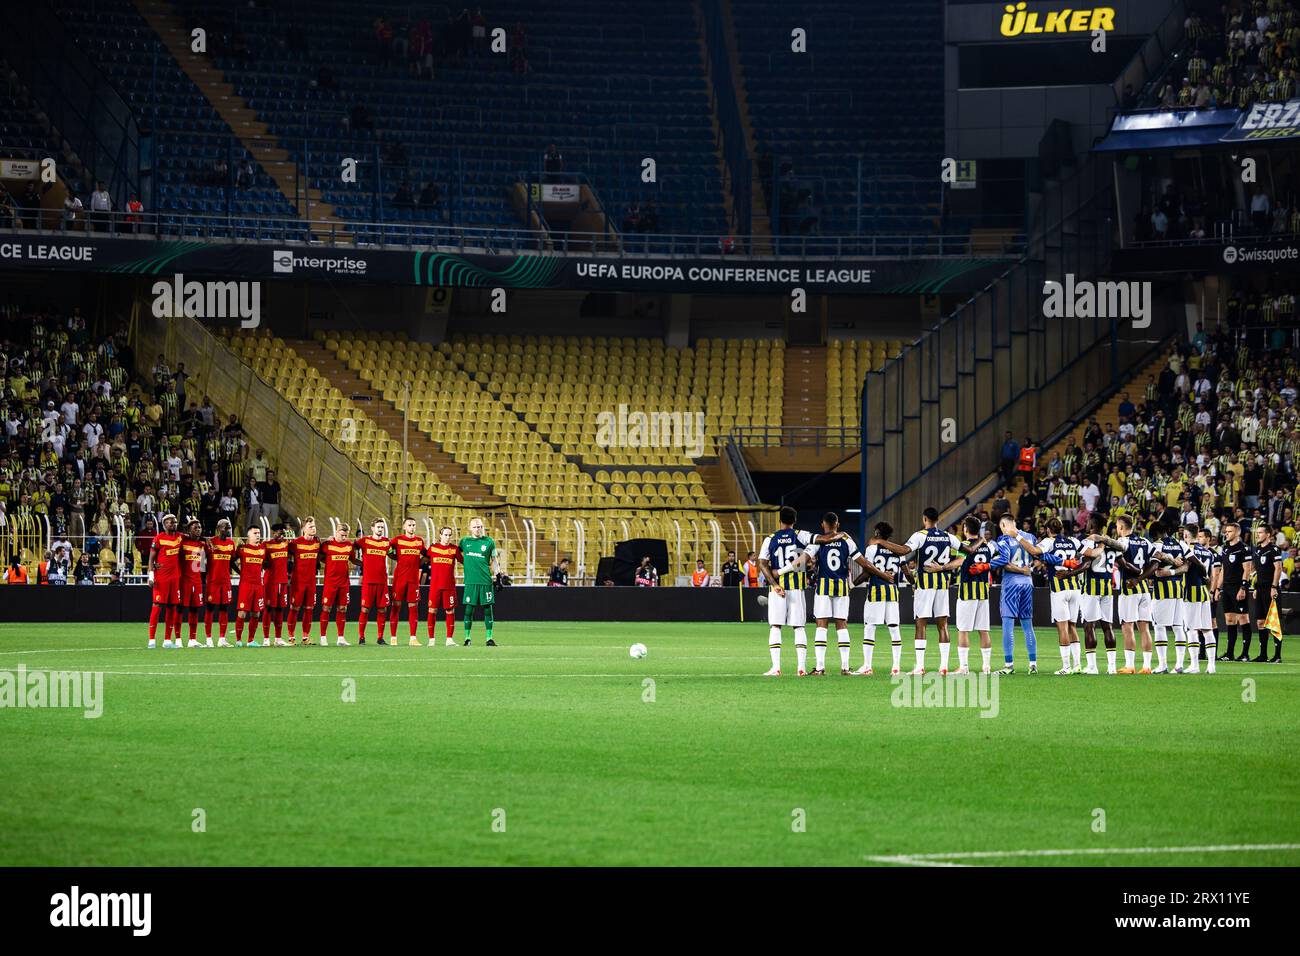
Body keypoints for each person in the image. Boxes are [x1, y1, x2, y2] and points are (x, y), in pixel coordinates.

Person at [989, 514, 1061, 674]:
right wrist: (1029, 569)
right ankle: (1033, 664)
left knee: (1008, 625)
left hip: (1011, 584)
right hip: (1028, 583)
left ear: (1003, 525)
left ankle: (1008, 666)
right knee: (1027, 625)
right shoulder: (1029, 537)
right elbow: (1038, 557)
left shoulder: (1003, 539)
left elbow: (1005, 563)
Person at [898, 507, 962, 675]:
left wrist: (885, 543)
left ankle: (920, 667)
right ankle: (944, 667)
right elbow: (964, 556)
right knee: (943, 625)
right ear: (938, 519)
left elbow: (904, 551)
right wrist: (943, 567)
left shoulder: (920, 535)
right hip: (942, 584)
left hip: (924, 585)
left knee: (921, 624)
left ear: (924, 519)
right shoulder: (949, 537)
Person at [856, 521, 910, 676]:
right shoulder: (898, 552)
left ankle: (867, 666)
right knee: (894, 628)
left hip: (876, 592)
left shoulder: (872, 549)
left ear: (877, 533)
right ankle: (896, 667)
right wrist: (914, 584)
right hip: (893, 593)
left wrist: (852, 585)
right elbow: (907, 573)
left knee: (870, 627)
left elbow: (867, 571)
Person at [459, 517, 498, 645]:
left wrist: (497, 575)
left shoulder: (489, 542)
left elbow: (494, 560)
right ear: (470, 528)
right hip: (471, 581)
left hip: (485, 580)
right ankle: (467, 638)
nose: (478, 529)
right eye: (475, 527)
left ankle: (489, 638)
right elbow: (454, 554)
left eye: (480, 526)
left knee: (488, 609)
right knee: (469, 610)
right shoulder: (464, 541)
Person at [147, 513, 183, 648]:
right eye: (169, 522)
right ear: (164, 524)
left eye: (174, 521)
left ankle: (167, 640)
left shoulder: (180, 537)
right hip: (161, 578)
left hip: (175, 579)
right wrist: (151, 576)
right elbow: (151, 559)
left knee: (172, 607)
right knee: (157, 606)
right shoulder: (159, 538)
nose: (173, 524)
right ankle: (152, 639)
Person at [389, 518, 427, 646]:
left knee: (413, 608)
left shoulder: (419, 541)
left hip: (413, 580)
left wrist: (418, 563)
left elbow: (426, 555)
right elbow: (387, 549)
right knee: (396, 607)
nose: (412, 527)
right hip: (400, 579)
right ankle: (393, 637)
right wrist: (396, 557)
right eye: (409, 525)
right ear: (404, 527)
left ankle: (413, 638)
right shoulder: (397, 540)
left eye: (414, 525)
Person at [354, 518, 392, 645]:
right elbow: (350, 547)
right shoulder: (364, 541)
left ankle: (380, 638)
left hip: (382, 581)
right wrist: (358, 562)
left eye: (382, 527)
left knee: (382, 610)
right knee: (365, 609)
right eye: (378, 527)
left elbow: (393, 554)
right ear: (372, 528)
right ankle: (361, 637)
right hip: (368, 581)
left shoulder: (386, 543)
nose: (380, 529)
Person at [286, 517, 321, 645]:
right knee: (294, 609)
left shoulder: (317, 543)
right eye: (310, 526)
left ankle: (305, 637)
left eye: (314, 526)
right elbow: (286, 556)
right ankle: (291, 637)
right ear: (303, 529)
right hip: (298, 582)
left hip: (311, 582)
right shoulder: (295, 543)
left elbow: (321, 556)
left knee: (309, 609)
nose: (313, 528)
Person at [319, 522, 354, 646]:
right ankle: (323, 637)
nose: (344, 537)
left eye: (346, 535)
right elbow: (319, 555)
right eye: (342, 534)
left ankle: (340, 638)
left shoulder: (349, 545)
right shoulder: (327, 545)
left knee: (342, 609)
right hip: (330, 583)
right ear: (336, 532)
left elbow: (353, 559)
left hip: (344, 583)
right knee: (326, 608)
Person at [232, 526, 267, 647]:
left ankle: (251, 640)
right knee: (242, 613)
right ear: (249, 536)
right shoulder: (242, 549)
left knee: (256, 614)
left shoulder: (263, 549)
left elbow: (267, 563)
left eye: (259, 533)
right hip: (246, 585)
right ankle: (238, 640)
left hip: (258, 585)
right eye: (255, 533)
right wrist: (240, 572)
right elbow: (231, 561)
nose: (258, 535)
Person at [204, 518, 237, 646]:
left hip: (225, 582)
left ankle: (222, 639)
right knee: (210, 609)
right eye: (225, 527)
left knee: (224, 609)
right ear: (218, 529)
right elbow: (201, 559)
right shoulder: (211, 542)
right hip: (213, 582)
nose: (228, 529)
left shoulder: (230, 543)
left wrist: (241, 572)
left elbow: (232, 561)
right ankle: (208, 638)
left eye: (229, 527)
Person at [426, 527, 461, 645]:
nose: (448, 537)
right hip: (435, 586)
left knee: (450, 611)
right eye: (445, 535)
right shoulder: (433, 548)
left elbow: (465, 561)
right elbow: (422, 560)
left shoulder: (454, 549)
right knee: (432, 610)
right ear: (440, 535)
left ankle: (449, 639)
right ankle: (431, 639)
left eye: (450, 535)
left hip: (449, 586)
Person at [178, 520, 207, 647]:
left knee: (195, 609)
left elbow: (201, 565)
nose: (198, 529)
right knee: (180, 610)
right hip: (184, 581)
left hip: (197, 581)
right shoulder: (182, 542)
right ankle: (178, 639)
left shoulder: (202, 544)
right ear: (189, 530)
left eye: (199, 527)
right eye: (195, 527)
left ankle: (192, 639)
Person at [261, 524, 292, 645]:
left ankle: (278, 639)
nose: (281, 535)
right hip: (270, 582)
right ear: (273, 533)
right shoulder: (266, 545)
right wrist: (265, 563)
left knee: (280, 609)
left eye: (283, 533)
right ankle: (266, 639)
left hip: (283, 581)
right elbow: (262, 561)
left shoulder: (286, 544)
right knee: (268, 608)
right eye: (279, 533)